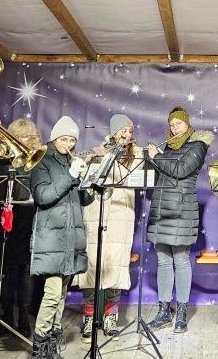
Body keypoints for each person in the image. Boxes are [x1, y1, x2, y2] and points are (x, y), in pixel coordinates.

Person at [145, 107, 213, 334]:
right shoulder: (165, 147)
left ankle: (181, 312)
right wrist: (148, 160)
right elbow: (158, 174)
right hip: (161, 209)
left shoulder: (197, 145)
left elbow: (181, 170)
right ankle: (164, 311)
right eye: (171, 124)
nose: (175, 128)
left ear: (187, 124)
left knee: (181, 260)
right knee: (163, 261)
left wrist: (157, 157)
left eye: (179, 124)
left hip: (182, 211)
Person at [29, 116, 92, 359]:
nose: (68, 143)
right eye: (64, 139)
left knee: (62, 293)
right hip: (52, 237)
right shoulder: (41, 160)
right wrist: (70, 175)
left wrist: (89, 183)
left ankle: (51, 346)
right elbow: (43, 196)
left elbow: (82, 201)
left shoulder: (72, 161)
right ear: (55, 138)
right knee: (53, 292)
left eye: (72, 140)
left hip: (70, 236)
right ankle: (40, 344)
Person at [78, 114, 143, 339]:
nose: (127, 134)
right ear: (114, 132)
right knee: (92, 266)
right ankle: (88, 318)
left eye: (130, 130)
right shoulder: (98, 150)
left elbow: (132, 178)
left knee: (115, 265)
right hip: (96, 213)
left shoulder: (136, 153)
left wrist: (117, 156)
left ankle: (110, 316)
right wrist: (93, 158)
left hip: (121, 215)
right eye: (123, 130)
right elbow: (85, 179)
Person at [0, 117, 42, 338]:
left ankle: (24, 319)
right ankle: (6, 316)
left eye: (28, 136)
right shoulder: (2, 163)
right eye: (19, 137)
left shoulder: (38, 162)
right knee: (5, 273)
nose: (23, 140)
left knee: (26, 273)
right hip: (5, 226)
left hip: (29, 223)